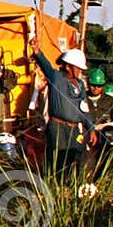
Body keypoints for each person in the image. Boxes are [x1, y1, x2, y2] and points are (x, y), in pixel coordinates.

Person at [30, 40, 97, 174]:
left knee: (77, 159)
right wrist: (37, 50)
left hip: (74, 130)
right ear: (68, 66)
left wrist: (91, 129)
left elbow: (84, 109)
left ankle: (72, 188)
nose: (79, 71)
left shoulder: (80, 85)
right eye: (77, 68)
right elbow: (45, 65)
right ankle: (52, 188)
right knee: (57, 162)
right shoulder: (56, 78)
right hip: (57, 128)